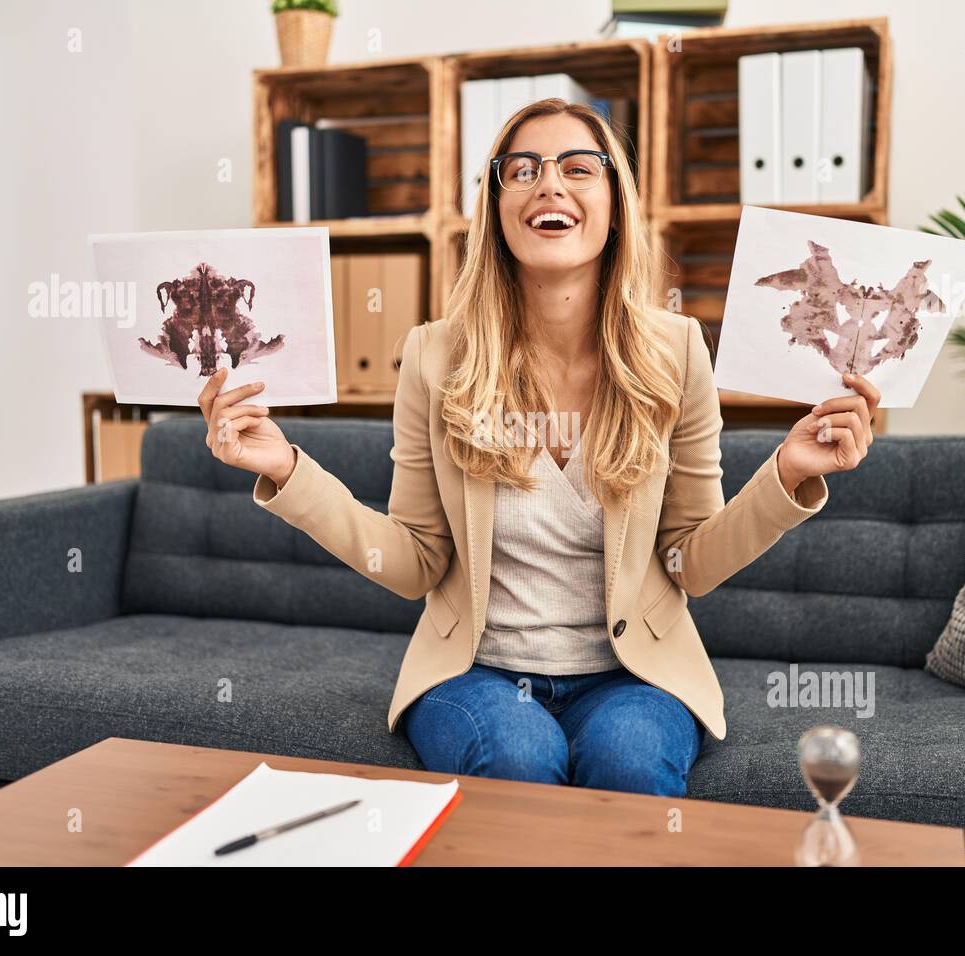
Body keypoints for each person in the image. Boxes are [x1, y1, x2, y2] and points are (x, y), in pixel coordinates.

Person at [197, 98, 879, 798]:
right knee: (518, 756)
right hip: (479, 673)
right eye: (522, 170)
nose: (549, 184)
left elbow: (689, 562)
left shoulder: (675, 352)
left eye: (578, 167)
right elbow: (414, 562)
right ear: (496, 208)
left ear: (616, 204)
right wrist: (286, 469)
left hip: (632, 675)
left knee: (628, 763)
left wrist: (787, 475)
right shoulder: (435, 354)